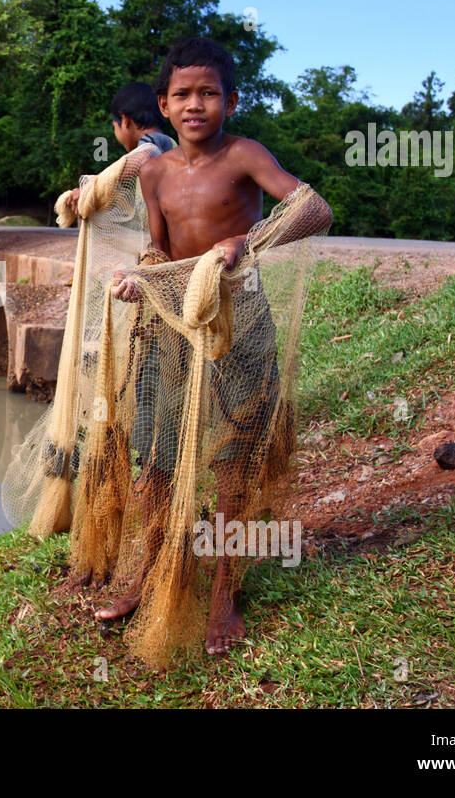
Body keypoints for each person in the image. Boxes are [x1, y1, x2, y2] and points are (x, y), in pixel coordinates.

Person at [89, 37, 333, 655]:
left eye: (208, 93)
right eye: (181, 95)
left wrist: (243, 245)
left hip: (239, 317)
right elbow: (158, 250)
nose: (194, 104)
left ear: (230, 100)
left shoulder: (244, 155)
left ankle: (224, 588)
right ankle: (151, 570)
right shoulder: (153, 172)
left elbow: (312, 207)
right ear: (164, 109)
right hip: (170, 324)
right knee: (157, 455)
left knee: (233, 457)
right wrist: (137, 280)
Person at [61, 82, 175, 215]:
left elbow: (144, 156)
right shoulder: (170, 143)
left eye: (114, 126)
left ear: (125, 120)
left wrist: (91, 188)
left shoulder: (155, 141)